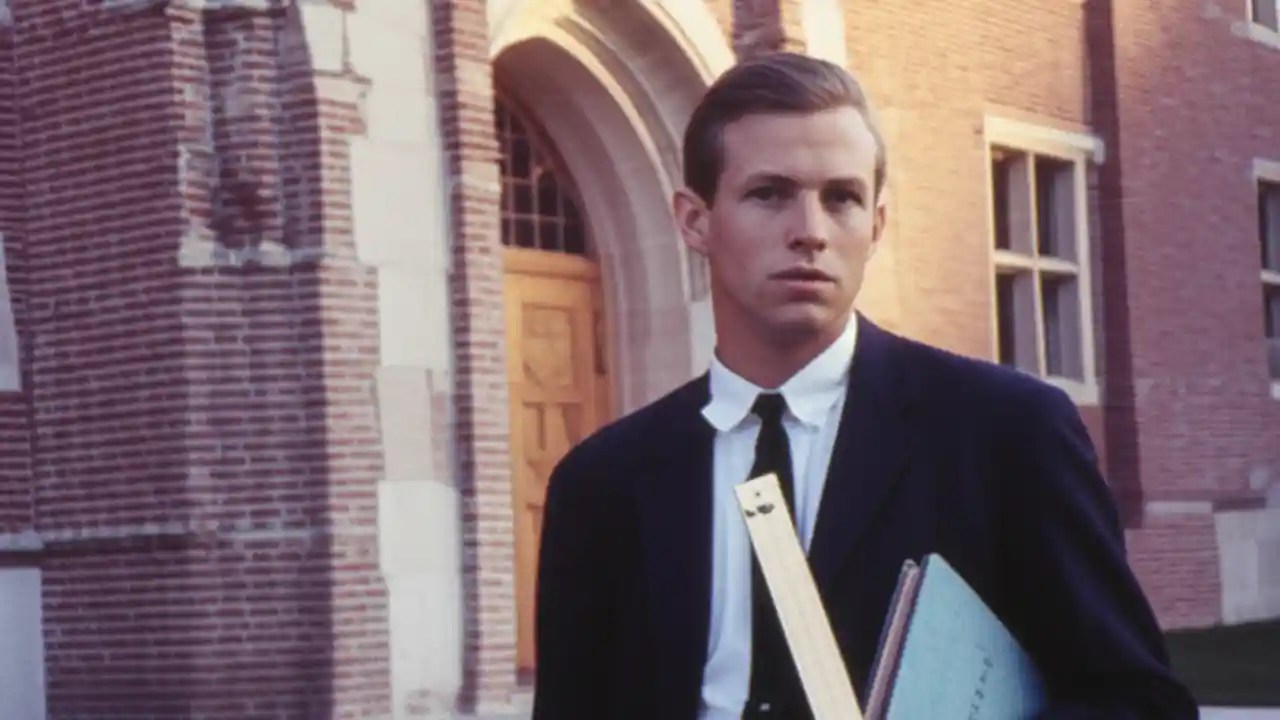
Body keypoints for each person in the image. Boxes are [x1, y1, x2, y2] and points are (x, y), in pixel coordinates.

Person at [532, 52, 1197, 719]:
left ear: (876, 224)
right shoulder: (602, 483)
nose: (810, 232)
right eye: (769, 194)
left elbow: (1137, 704)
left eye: (841, 198)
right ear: (694, 220)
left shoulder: (1005, 432)